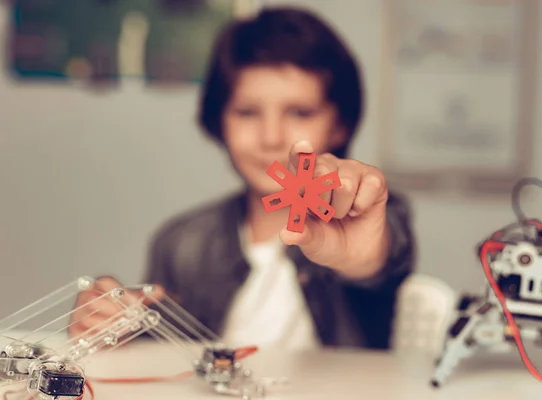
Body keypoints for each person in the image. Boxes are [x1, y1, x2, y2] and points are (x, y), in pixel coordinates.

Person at [70, 6, 415, 351]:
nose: (271, 137)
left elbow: (380, 257)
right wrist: (115, 323)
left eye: (300, 112)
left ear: (340, 124)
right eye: (247, 112)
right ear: (220, 122)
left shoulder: (371, 214)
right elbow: (165, 349)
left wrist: (361, 258)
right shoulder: (181, 242)